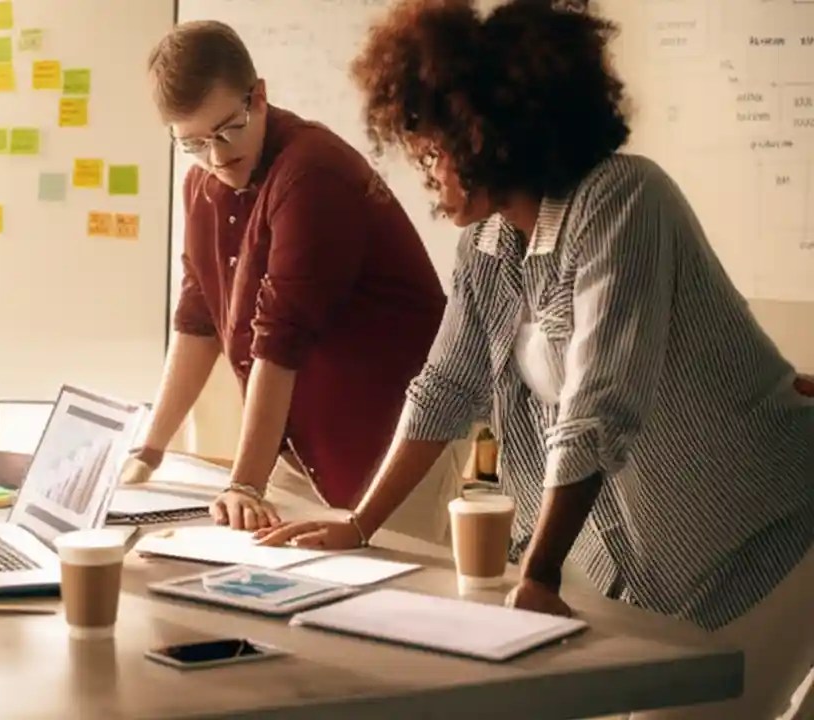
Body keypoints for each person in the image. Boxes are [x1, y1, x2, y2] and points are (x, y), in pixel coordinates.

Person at [258, 2, 813, 718]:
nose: (424, 172)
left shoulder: (625, 200)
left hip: (759, 534)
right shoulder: (485, 248)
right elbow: (444, 389)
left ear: (493, 136)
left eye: (433, 151)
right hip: (638, 570)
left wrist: (540, 571)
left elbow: (598, 402)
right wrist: (358, 522)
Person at [126, 21, 446, 531]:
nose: (216, 157)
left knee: (385, 604)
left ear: (259, 96)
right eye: (192, 143)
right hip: (300, 452)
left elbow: (280, 337)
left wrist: (244, 483)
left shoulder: (311, 172)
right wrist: (148, 449)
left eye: (227, 129)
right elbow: (198, 320)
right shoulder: (201, 185)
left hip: (391, 448)